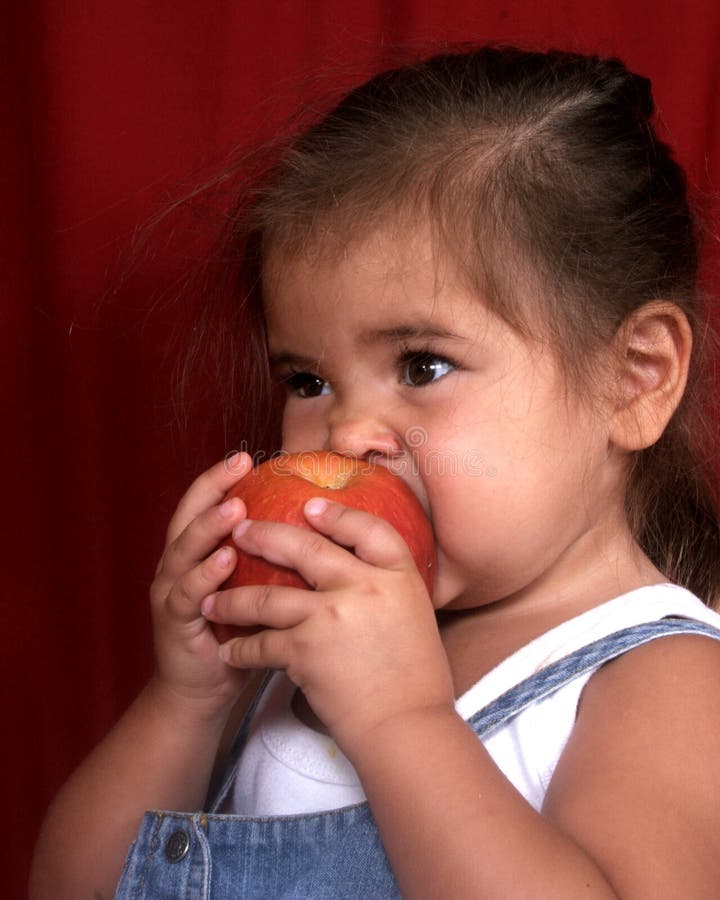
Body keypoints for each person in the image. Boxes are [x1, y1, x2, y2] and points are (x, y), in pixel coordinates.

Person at [31, 45, 720, 899]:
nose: (346, 435)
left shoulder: (667, 684)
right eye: (307, 381)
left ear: (634, 382)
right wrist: (188, 700)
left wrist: (401, 722)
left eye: (423, 366)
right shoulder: (307, 637)